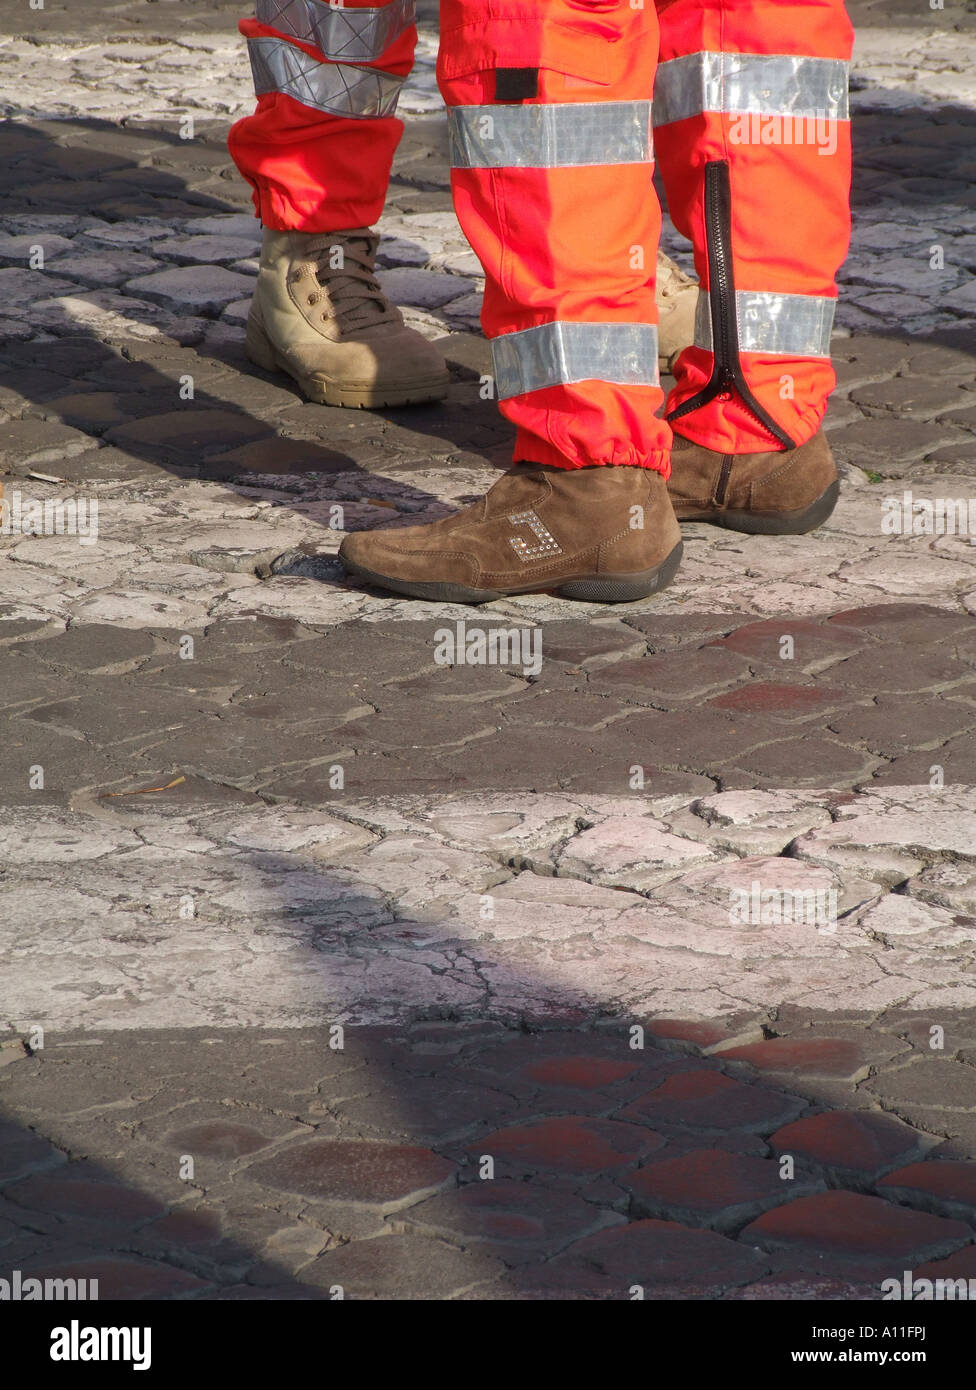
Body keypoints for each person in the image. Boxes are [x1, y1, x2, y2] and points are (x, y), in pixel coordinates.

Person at [229, 0, 852, 604]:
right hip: (770, 420)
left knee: (551, 21)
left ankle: (590, 483)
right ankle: (756, 416)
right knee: (756, 23)